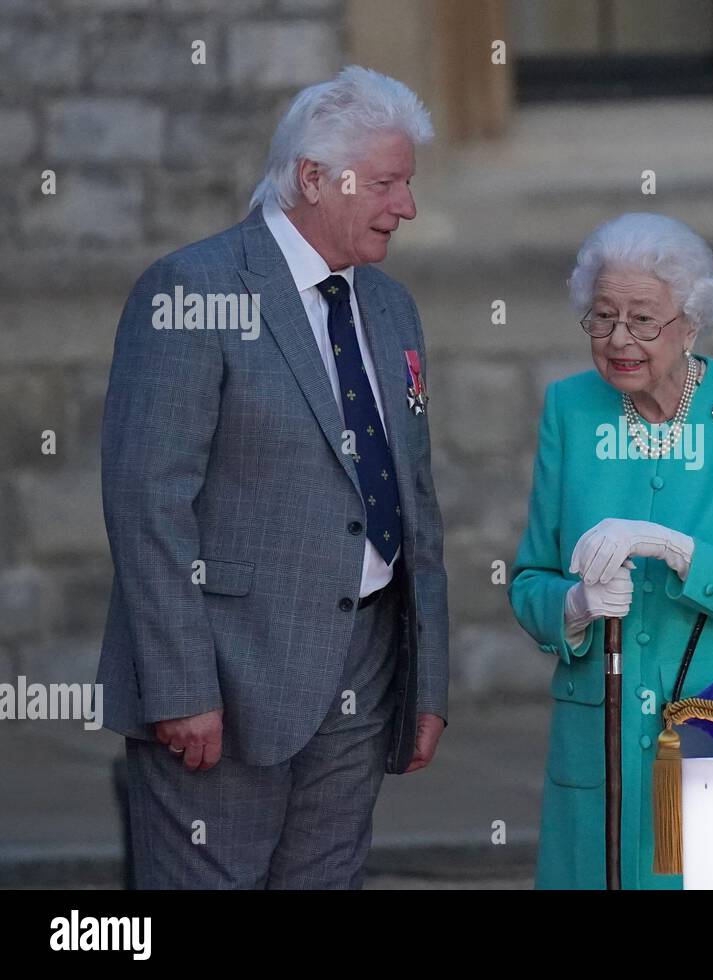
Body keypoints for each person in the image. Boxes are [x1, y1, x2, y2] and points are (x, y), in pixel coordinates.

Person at [96, 66, 450, 888]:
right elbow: (148, 504)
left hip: (364, 668)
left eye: (410, 182)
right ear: (313, 179)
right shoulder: (192, 289)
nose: (407, 206)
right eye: (389, 183)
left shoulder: (392, 307)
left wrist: (426, 681)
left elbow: (417, 501)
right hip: (227, 678)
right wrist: (180, 687)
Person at [509, 212, 713, 889]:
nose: (619, 338)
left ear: (692, 321)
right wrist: (575, 605)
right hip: (601, 749)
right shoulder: (571, 409)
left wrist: (675, 549)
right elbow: (528, 577)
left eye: (643, 320)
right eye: (602, 317)